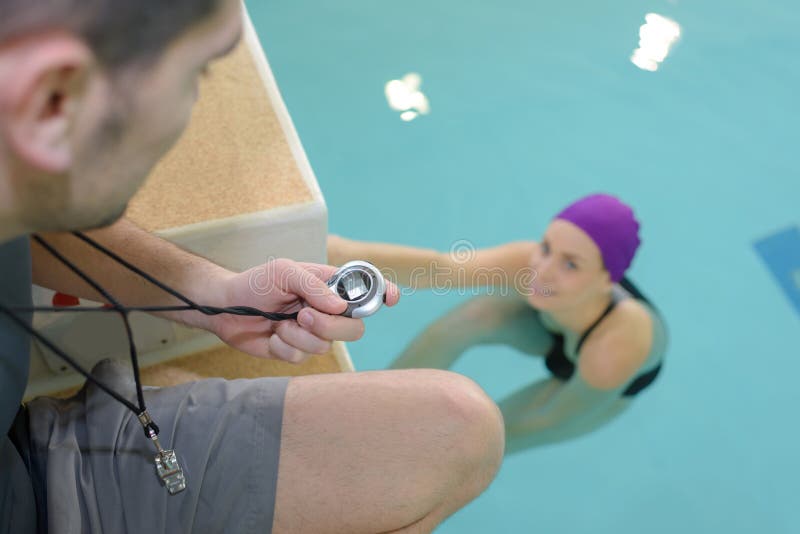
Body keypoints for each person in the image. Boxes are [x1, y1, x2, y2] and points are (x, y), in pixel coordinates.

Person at [0, 1, 505, 532]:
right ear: (54, 99)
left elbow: (34, 214)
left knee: (458, 427)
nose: (193, 112)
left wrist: (212, 295)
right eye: (197, 73)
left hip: (28, 472)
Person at [328, 193, 668, 454]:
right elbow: (439, 269)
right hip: (552, 324)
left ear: (608, 280)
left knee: (486, 438)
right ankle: (374, 407)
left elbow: (545, 417)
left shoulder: (617, 348)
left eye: (571, 265)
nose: (543, 270)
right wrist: (338, 250)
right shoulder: (531, 264)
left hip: (601, 381)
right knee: (470, 319)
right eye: (546, 247)